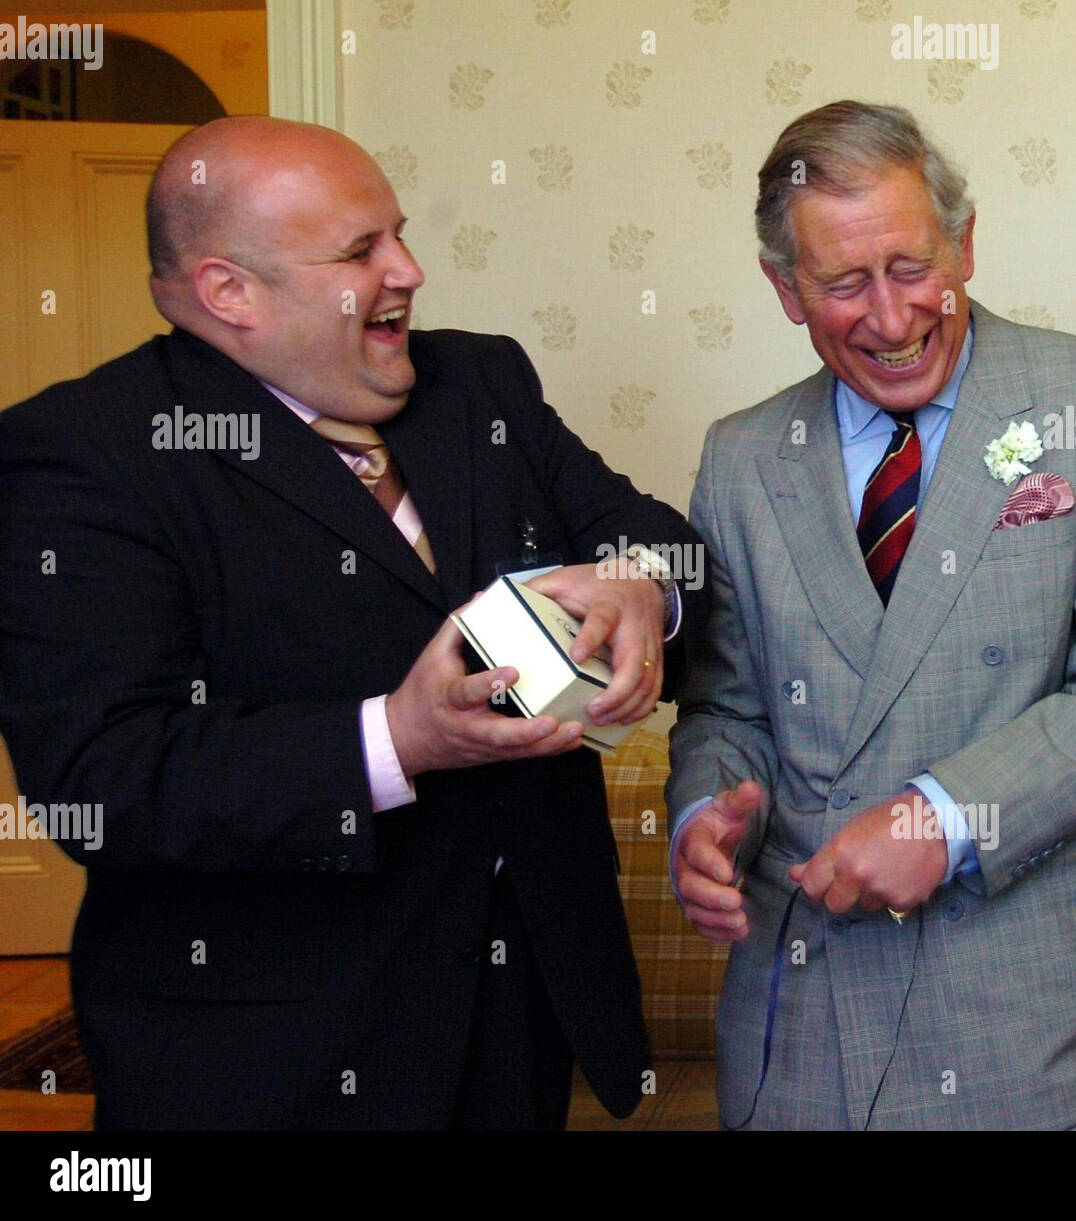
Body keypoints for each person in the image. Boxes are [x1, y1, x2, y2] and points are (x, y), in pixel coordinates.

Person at [0, 116, 708, 1131]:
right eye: (359, 250)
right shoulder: (80, 455)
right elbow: (104, 780)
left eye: (399, 233)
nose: (410, 269)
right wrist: (396, 740)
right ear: (228, 291)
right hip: (267, 1053)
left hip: (517, 1016)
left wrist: (640, 584)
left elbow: (663, 547)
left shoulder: (480, 384)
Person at [666, 101, 1076, 1130]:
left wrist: (943, 817)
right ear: (785, 290)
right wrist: (703, 811)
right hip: (803, 1007)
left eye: (911, 267)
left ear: (964, 242)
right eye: (840, 283)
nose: (889, 317)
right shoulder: (739, 457)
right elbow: (722, 710)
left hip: (1030, 1016)